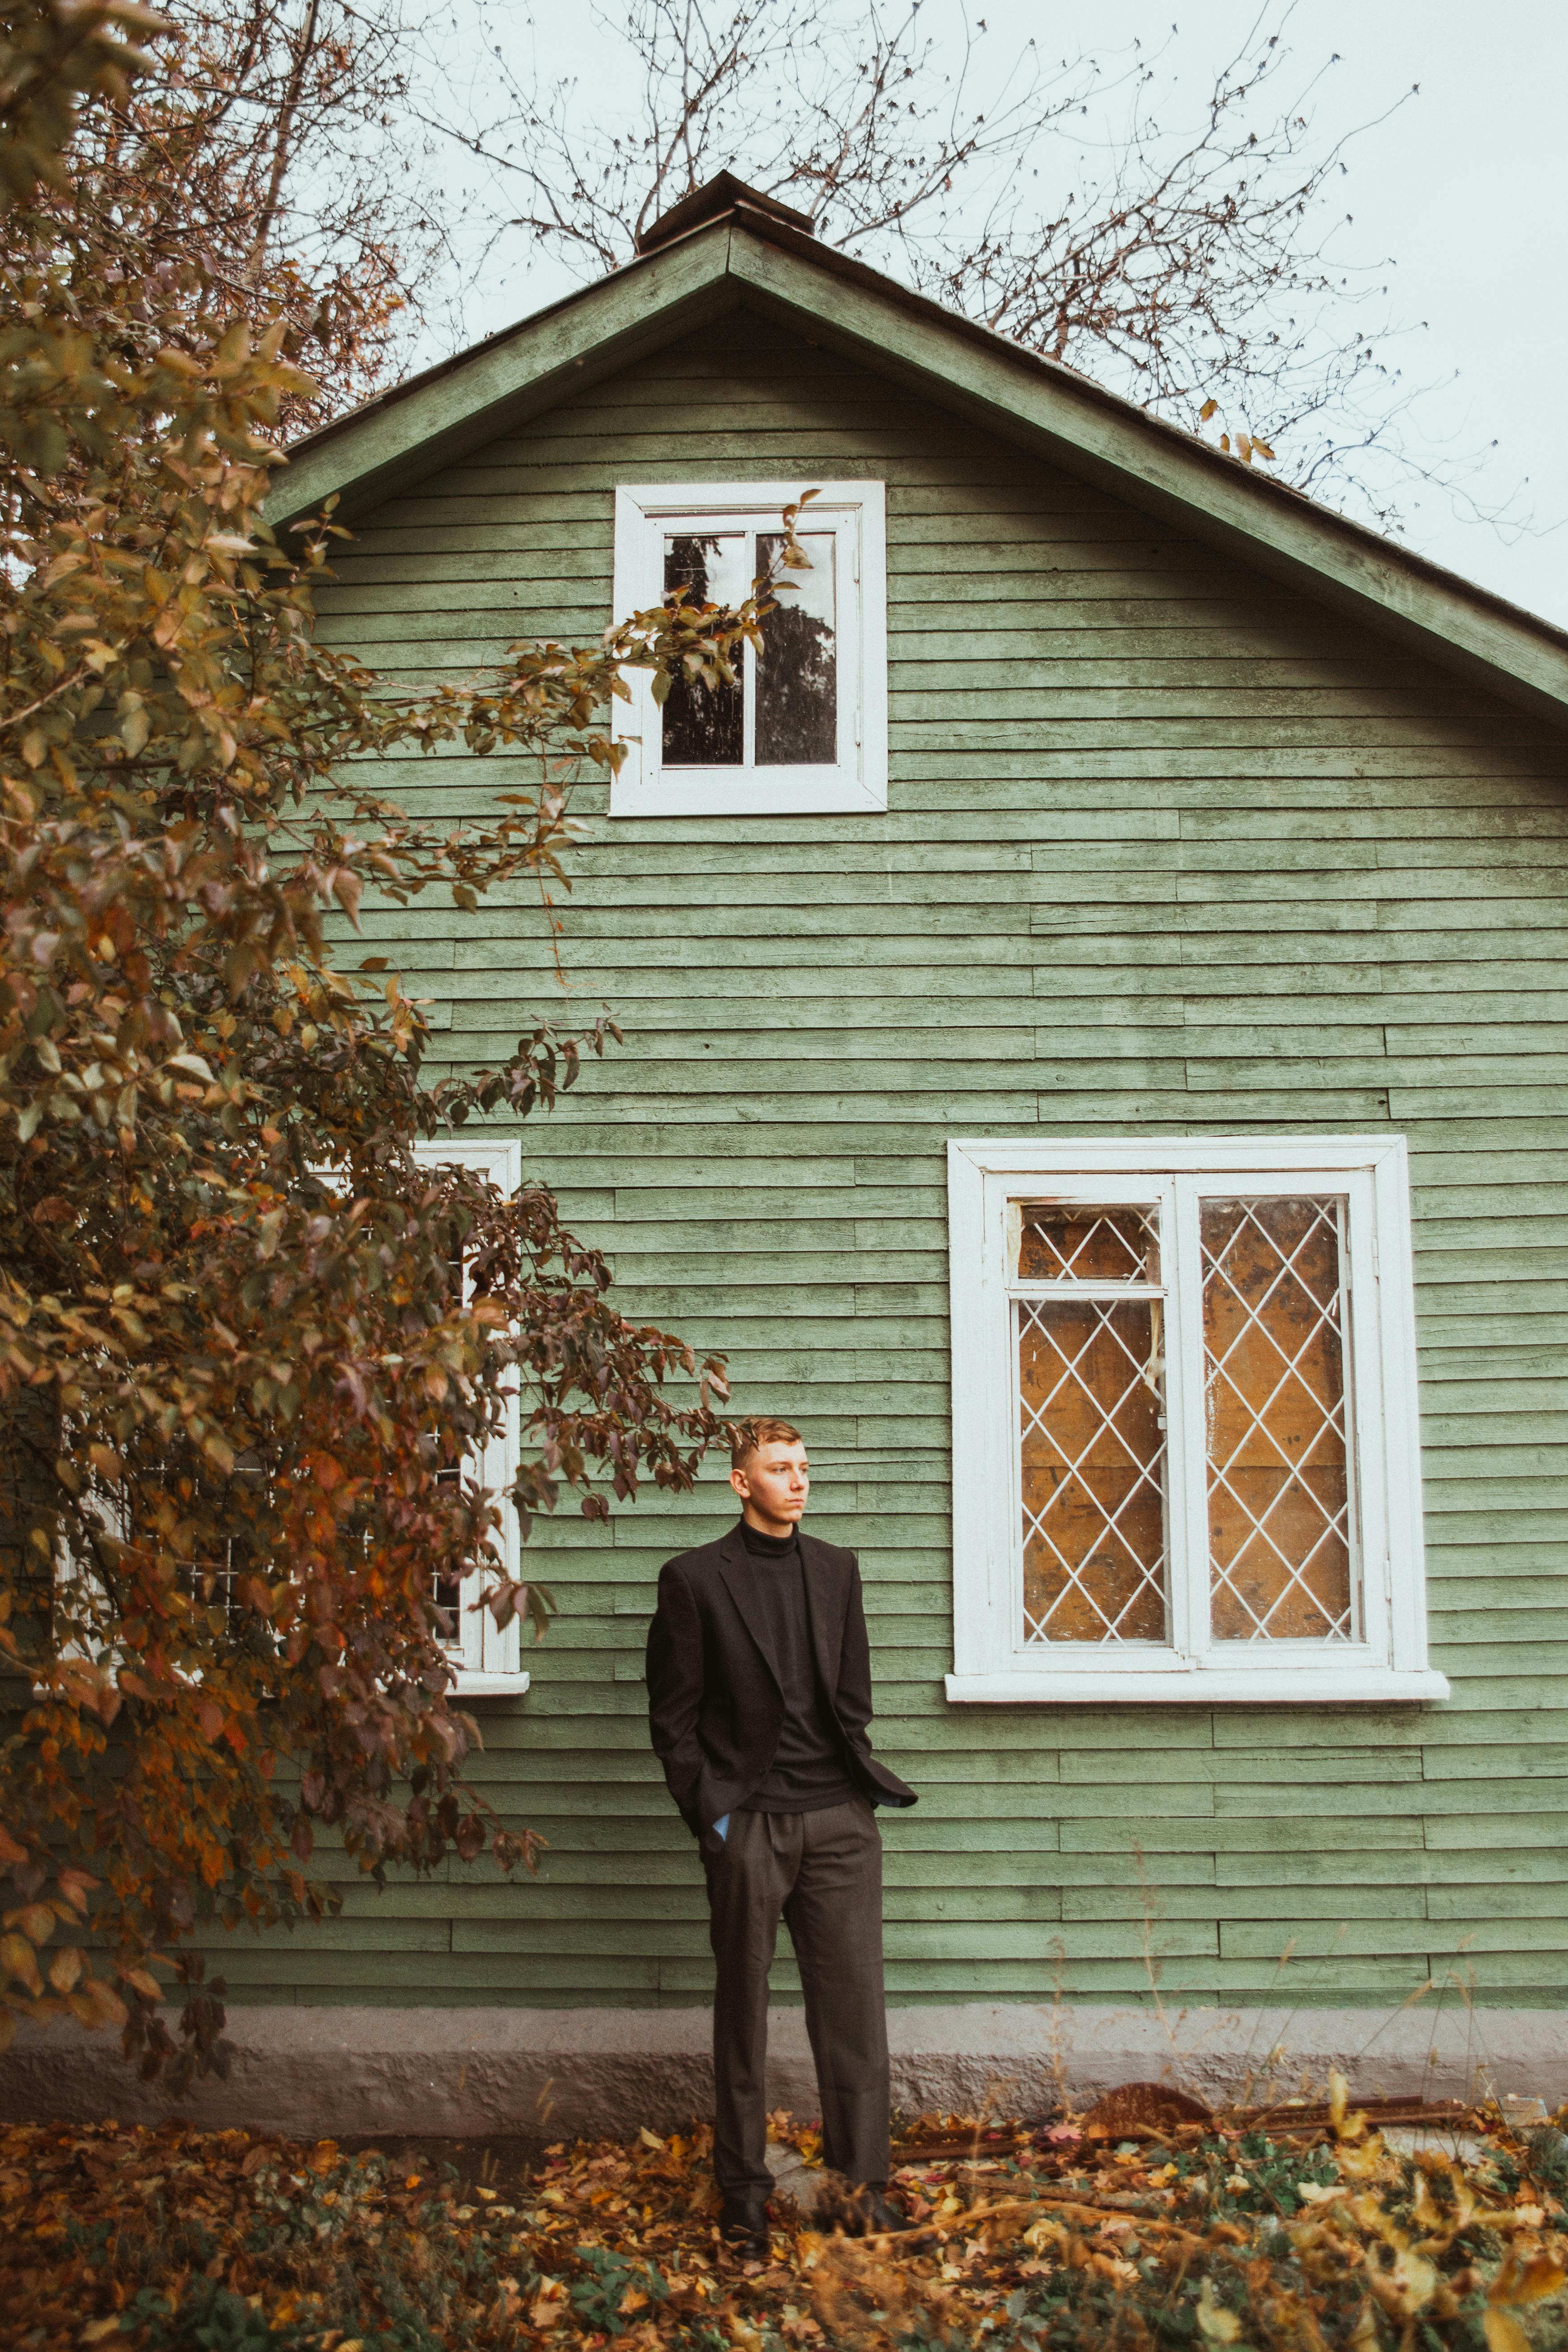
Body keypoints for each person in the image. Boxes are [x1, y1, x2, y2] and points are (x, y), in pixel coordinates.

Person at [645, 1418, 916, 2253]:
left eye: (803, 1467)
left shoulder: (836, 1569)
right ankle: (743, 2194)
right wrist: (715, 1817)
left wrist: (853, 1793)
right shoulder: (694, 1580)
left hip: (838, 1819)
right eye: (778, 1469)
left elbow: (852, 1696)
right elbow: (673, 1717)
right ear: (741, 1482)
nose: (797, 1482)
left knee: (853, 2012)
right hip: (749, 1824)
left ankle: (859, 2190)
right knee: (744, 2010)